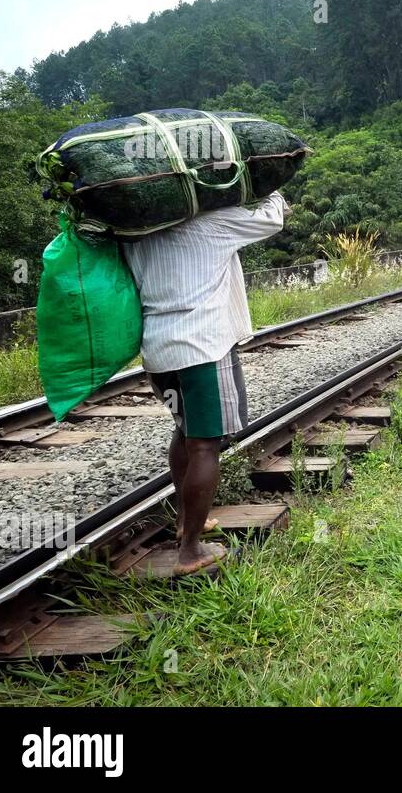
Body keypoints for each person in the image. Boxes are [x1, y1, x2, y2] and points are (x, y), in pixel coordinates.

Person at [123, 192, 288, 575]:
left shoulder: (136, 231)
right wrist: (273, 190)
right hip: (203, 348)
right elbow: (271, 218)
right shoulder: (212, 222)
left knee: (184, 431)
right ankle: (191, 551)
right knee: (205, 444)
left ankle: (185, 522)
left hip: (158, 350)